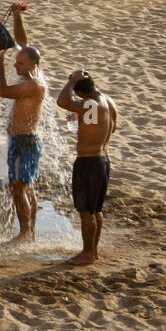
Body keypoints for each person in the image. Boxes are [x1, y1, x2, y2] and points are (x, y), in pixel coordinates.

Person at [0, 3, 46, 243]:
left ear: (33, 66)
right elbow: (22, 43)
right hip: (19, 139)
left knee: (20, 188)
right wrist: (17, 16)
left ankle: (25, 234)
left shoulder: (33, 85)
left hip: (27, 141)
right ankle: (29, 233)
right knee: (23, 187)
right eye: (14, 62)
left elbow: (1, 91)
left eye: (19, 63)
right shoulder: (30, 73)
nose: (15, 65)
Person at [57, 69, 117, 265]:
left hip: (88, 162)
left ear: (80, 92)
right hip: (103, 159)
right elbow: (111, 126)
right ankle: (93, 251)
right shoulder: (107, 101)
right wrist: (82, 117)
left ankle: (87, 253)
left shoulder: (89, 103)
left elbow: (62, 101)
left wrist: (72, 80)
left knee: (86, 211)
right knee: (95, 209)